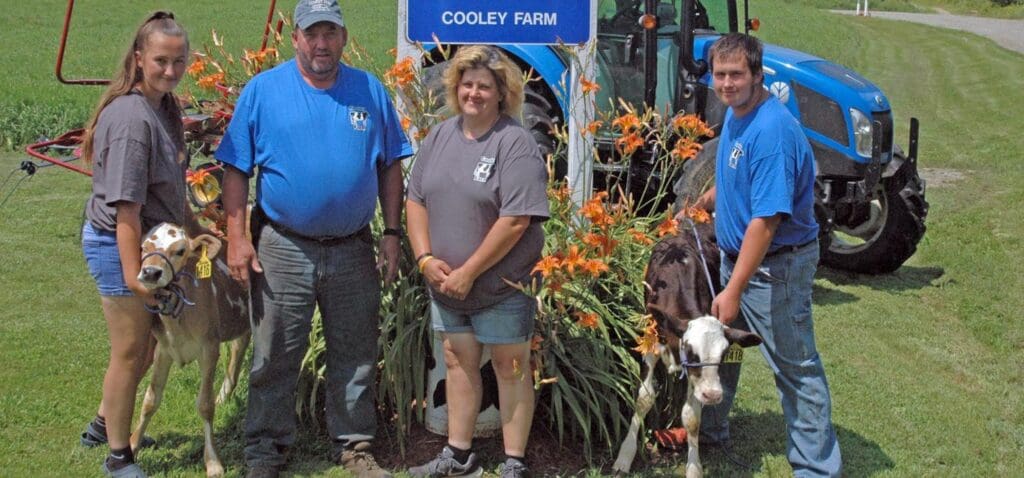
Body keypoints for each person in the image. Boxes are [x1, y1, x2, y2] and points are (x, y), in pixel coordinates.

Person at [214, 0, 413, 477]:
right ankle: (264, 450)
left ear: (343, 37)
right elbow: (236, 169)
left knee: (355, 351)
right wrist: (237, 237)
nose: (321, 44)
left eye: (330, 33)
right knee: (275, 352)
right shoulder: (264, 91)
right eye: (311, 34)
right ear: (295, 38)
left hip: (352, 247)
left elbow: (390, 163)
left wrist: (390, 232)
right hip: (283, 246)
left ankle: (355, 447)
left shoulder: (368, 90)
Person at [678, 33, 842, 477]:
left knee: (795, 366)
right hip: (743, 260)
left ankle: (816, 468)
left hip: (775, 268)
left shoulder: (772, 130)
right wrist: (709, 198)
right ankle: (709, 432)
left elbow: (766, 222)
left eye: (736, 75)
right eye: (720, 74)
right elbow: (737, 175)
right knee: (724, 353)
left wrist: (733, 289)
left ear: (756, 75)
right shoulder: (737, 112)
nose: (726, 83)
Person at [406, 46, 550, 478]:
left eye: (485, 86)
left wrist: (469, 272)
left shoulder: (515, 142)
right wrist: (425, 258)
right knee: (457, 360)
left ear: (502, 92)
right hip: (447, 285)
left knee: (510, 366)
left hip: (499, 285)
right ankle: (459, 455)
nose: (474, 93)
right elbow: (416, 200)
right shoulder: (441, 136)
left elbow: (516, 219)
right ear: (455, 87)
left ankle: (513, 463)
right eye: (467, 84)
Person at [79, 11, 190, 478]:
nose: (170, 70)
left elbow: (168, 191)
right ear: (139, 57)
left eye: (179, 61)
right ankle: (119, 457)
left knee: (145, 349)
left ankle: (103, 423)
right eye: (161, 61)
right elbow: (126, 211)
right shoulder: (130, 119)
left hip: (150, 241)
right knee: (130, 351)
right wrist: (133, 277)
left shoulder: (165, 106)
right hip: (118, 242)